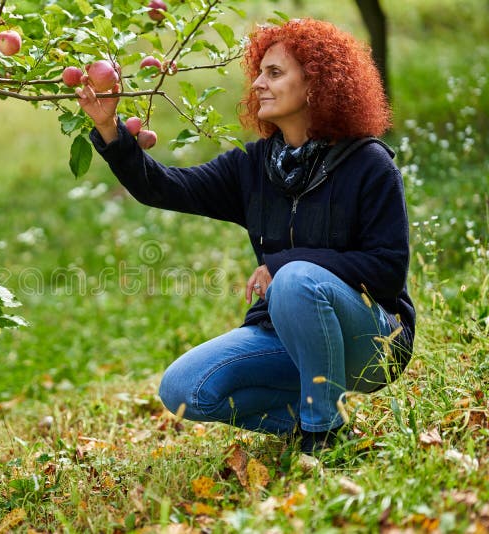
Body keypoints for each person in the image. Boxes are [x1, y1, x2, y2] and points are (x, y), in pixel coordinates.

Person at [76, 18, 415, 454]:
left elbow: (387, 271)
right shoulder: (253, 167)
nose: (257, 84)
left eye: (274, 73)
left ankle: (322, 430)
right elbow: (162, 186)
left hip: (373, 341)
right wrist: (110, 130)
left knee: (294, 280)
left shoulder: (369, 165)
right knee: (183, 389)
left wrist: (284, 264)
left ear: (316, 84)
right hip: (285, 334)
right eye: (259, 73)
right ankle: (317, 421)